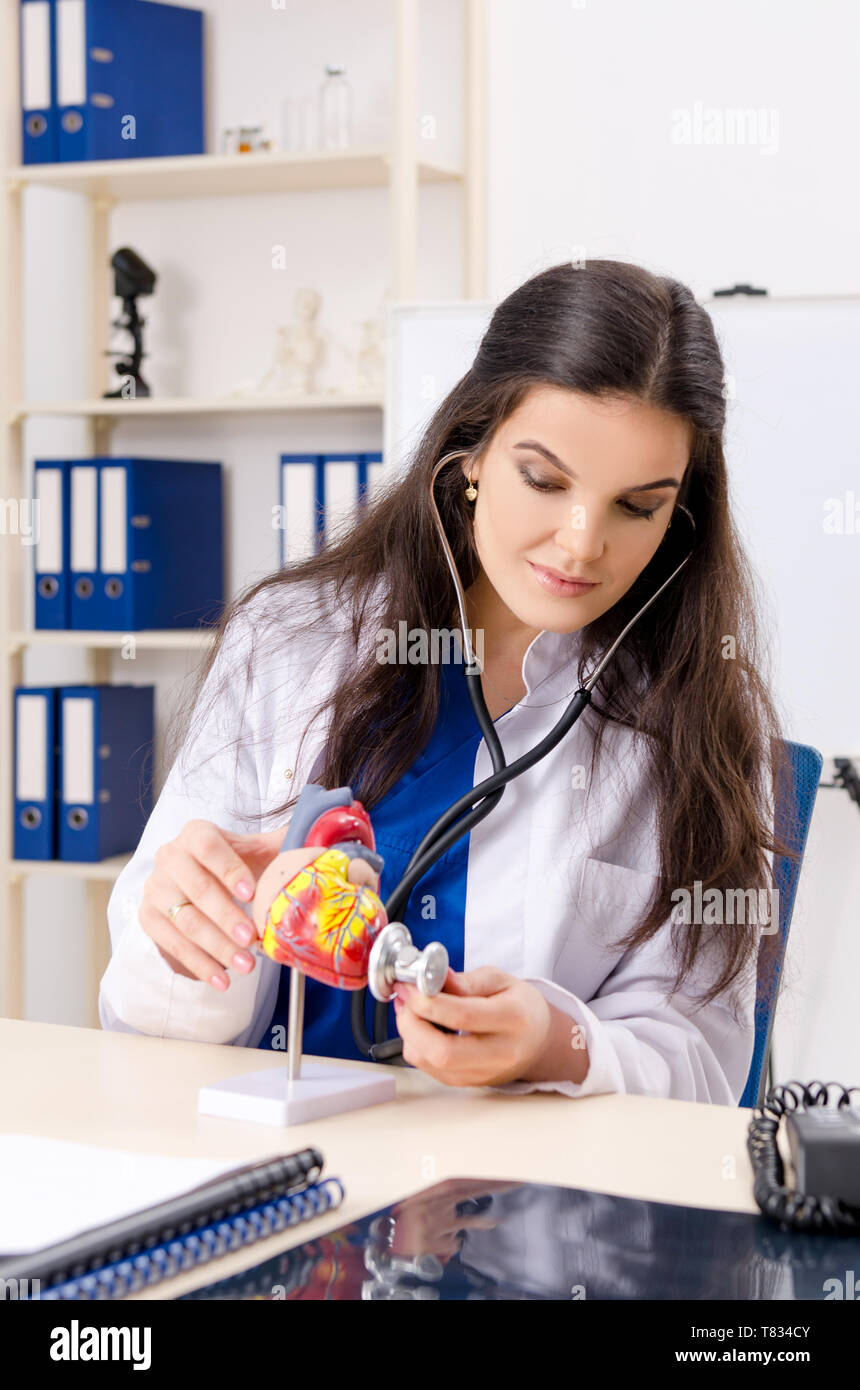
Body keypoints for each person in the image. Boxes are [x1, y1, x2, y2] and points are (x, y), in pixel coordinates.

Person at [99, 259, 791, 1103]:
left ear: (680, 513)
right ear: (472, 454)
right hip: (268, 1171)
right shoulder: (288, 641)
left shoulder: (700, 718)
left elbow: (709, 1061)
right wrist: (197, 929)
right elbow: (139, 1024)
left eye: (636, 506)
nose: (581, 544)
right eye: (544, 480)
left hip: (520, 1204)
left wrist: (557, 1044)